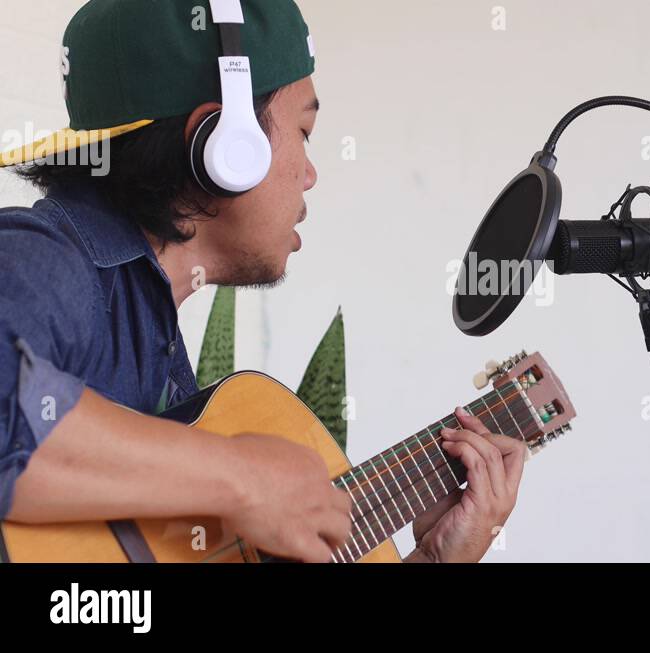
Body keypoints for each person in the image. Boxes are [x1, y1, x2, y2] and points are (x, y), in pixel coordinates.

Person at [0, 0, 526, 563]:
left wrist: (435, 560)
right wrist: (243, 477)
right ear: (225, 147)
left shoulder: (158, 349)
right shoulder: (44, 259)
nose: (310, 173)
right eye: (303, 129)